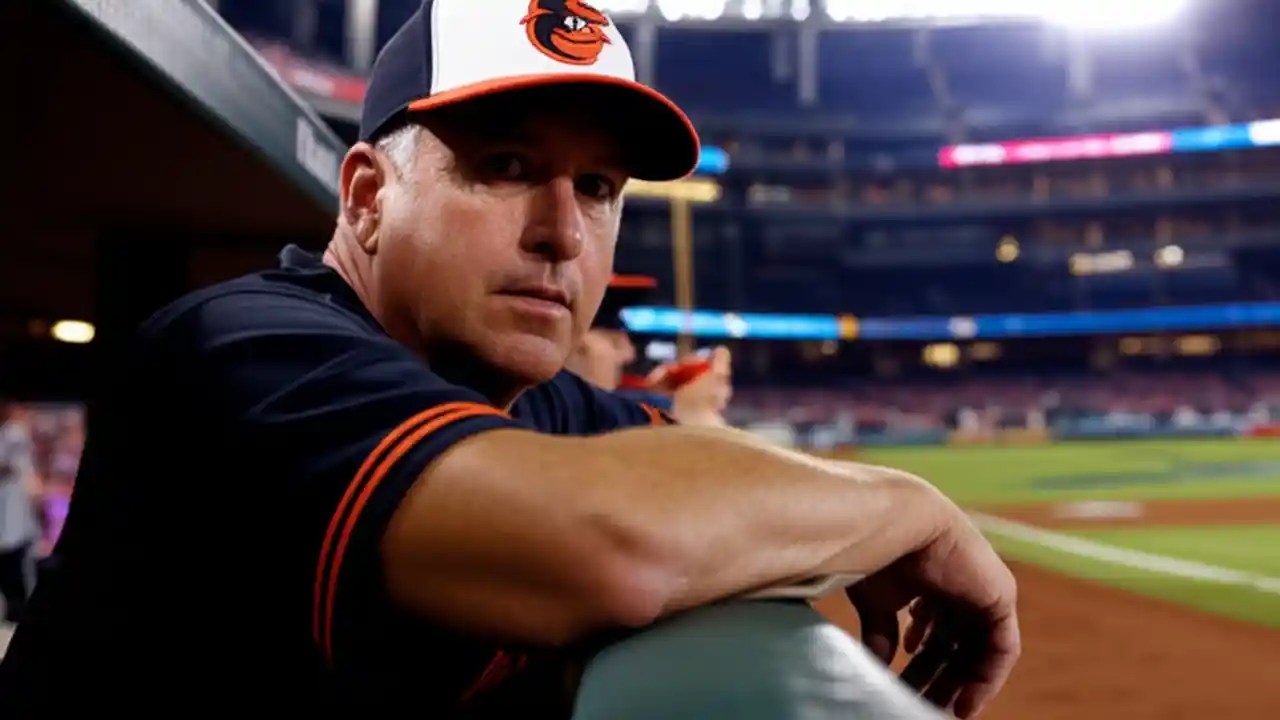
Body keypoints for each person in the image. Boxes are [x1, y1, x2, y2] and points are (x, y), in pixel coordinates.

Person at [0, 1, 1018, 717]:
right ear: (364, 197)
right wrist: (907, 507)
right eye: (506, 169)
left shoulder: (540, 406)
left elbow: (707, 465)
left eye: (599, 188)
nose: (562, 235)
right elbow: (615, 548)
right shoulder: (240, 352)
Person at [564, 273, 732, 426]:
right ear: (574, 345)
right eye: (614, 342)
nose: (628, 355)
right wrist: (689, 409)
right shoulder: (558, 419)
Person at [0, 401, 38, 626]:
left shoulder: (14, 434)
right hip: (7, 519)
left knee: (15, 569)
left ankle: (18, 613)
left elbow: (12, 466)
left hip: (13, 517)